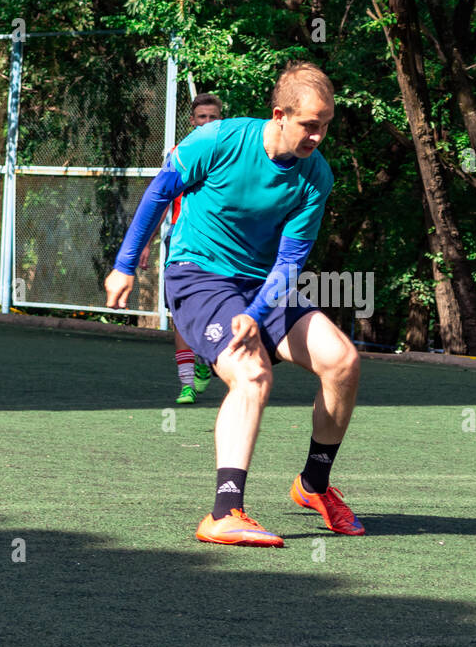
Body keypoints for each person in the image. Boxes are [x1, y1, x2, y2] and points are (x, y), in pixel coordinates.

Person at [105, 62, 364, 546]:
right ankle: (225, 512)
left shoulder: (316, 176)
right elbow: (159, 193)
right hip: (198, 277)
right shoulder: (218, 141)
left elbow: (290, 259)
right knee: (251, 373)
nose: (318, 136)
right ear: (280, 114)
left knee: (342, 361)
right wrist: (124, 264)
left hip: (263, 286)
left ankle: (313, 485)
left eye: (326, 125)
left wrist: (257, 312)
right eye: (310, 124)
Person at [138, 92, 223, 404]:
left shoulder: (229, 153)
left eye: (213, 117)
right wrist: (145, 243)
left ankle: (205, 356)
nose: (207, 122)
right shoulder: (179, 153)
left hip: (218, 243)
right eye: (202, 117)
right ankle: (187, 383)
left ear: (221, 119)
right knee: (179, 313)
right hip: (180, 242)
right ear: (192, 120)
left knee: (214, 307)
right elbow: (160, 198)